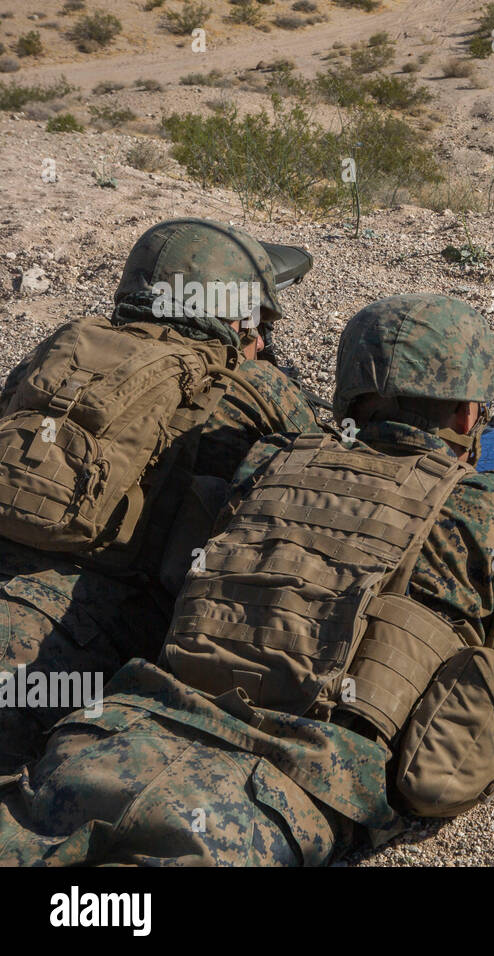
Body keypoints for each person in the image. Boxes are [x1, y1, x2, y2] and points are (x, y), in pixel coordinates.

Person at [0, 293, 494, 865]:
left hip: (120, 733)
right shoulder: (488, 505)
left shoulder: (272, 456)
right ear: (469, 414)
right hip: (274, 791)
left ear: (350, 399)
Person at [0, 218, 319, 771]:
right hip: (82, 644)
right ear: (232, 320)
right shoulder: (255, 388)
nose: (262, 342)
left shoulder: (61, 351)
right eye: (256, 326)